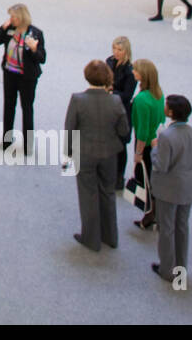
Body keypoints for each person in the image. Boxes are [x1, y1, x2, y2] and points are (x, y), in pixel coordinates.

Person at [65, 60, 130, 252]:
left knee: (88, 194)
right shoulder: (116, 101)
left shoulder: (77, 99)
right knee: (108, 192)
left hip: (84, 153)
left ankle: (91, 238)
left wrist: (68, 154)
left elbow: (70, 129)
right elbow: (124, 130)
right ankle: (111, 236)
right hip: (109, 153)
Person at [150, 95, 192, 283]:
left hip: (168, 189)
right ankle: (181, 269)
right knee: (182, 228)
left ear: (171, 112)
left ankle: (166, 269)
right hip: (188, 187)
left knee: (166, 228)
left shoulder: (165, 136)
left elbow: (160, 165)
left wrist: (154, 148)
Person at [0, 4, 46, 154]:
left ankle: (28, 145)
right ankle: (7, 139)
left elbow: (42, 58)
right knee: (9, 106)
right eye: (10, 17)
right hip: (10, 73)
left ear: (22, 18)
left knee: (27, 108)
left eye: (14, 17)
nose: (11, 19)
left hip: (27, 77)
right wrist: (3, 27)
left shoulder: (35, 33)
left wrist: (34, 49)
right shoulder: (10, 30)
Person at [129, 59, 165, 229]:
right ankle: (154, 213)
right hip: (156, 141)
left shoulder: (142, 99)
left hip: (145, 143)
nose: (133, 72)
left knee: (145, 181)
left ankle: (150, 214)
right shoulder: (159, 93)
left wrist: (138, 153)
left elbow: (141, 131)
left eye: (136, 70)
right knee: (153, 180)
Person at [106, 36, 136, 190]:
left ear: (126, 51)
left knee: (121, 145)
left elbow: (127, 95)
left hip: (122, 110)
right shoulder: (109, 61)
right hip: (109, 106)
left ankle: (119, 176)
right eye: (114, 49)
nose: (116, 53)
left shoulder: (130, 71)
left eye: (120, 50)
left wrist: (112, 92)